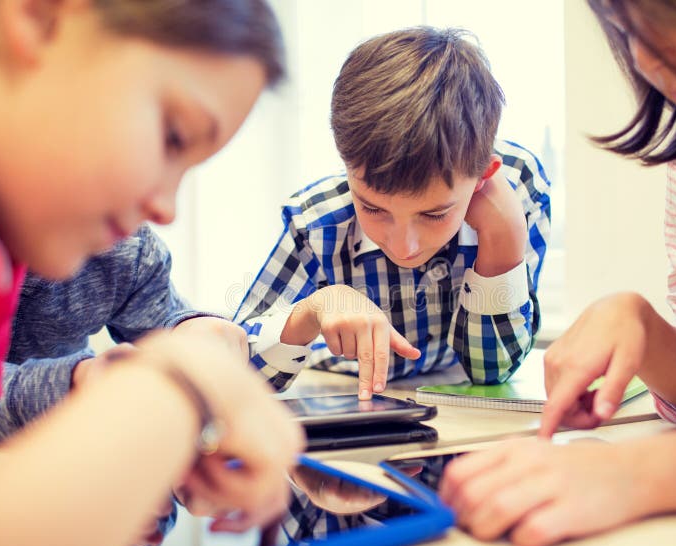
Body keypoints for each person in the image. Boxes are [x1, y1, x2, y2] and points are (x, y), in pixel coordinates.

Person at [440, 0, 676, 546]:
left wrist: (640, 473)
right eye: (626, 30)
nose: (646, 58)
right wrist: (640, 325)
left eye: (669, 16)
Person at [0, 1, 304, 546]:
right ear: (39, 15)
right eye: (173, 137)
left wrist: (205, 344)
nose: (167, 206)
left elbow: (176, 324)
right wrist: (173, 379)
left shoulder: (21, 248)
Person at [234, 27, 551, 400]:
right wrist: (311, 310)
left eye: (434, 215)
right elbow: (229, 371)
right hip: (337, 391)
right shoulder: (317, 221)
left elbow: (494, 371)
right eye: (372, 207)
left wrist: (504, 234)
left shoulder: (519, 187)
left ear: (484, 176)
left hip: (454, 412)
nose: (405, 247)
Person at [0, 224, 251, 546]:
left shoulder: (124, 241)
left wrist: (190, 330)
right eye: (167, 166)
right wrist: (81, 385)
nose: (166, 209)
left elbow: (166, 322)